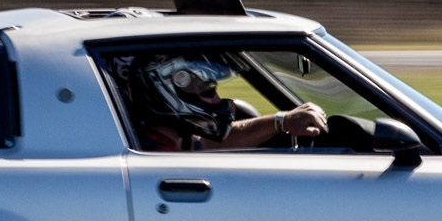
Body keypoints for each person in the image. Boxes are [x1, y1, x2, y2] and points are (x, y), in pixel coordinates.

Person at [126, 54, 327, 152]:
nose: (217, 100)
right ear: (168, 94)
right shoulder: (155, 151)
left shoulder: (175, 140)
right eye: (208, 91)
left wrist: (281, 120)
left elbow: (217, 142)